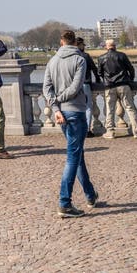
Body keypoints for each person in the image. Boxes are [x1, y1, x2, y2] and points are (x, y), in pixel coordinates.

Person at [43, 31, 99, 218]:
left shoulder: (52, 61)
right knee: (72, 157)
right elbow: (76, 88)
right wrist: (60, 100)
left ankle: (90, 195)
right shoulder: (80, 59)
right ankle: (64, 202)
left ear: (61, 42)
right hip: (75, 111)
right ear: (74, 42)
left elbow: (46, 88)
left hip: (60, 114)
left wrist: (56, 107)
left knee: (77, 153)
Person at [97, 39, 137, 138]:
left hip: (109, 86)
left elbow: (99, 72)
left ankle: (110, 132)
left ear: (106, 46)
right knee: (130, 108)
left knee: (110, 109)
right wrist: (130, 80)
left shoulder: (101, 58)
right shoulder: (122, 55)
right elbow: (131, 69)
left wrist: (105, 80)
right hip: (123, 84)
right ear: (115, 46)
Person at [76, 37, 101, 136]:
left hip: (74, 86)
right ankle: (86, 130)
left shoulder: (71, 57)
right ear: (80, 45)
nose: (84, 47)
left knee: (76, 107)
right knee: (88, 107)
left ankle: (78, 129)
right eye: (83, 45)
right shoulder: (85, 56)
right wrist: (98, 79)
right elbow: (94, 69)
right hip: (85, 84)